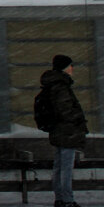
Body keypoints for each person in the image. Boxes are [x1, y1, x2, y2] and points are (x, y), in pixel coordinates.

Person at [42, 54, 88, 207]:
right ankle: (67, 199)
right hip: (67, 131)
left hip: (59, 130)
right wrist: (78, 119)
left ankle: (60, 197)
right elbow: (65, 109)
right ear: (64, 68)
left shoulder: (54, 84)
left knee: (59, 165)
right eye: (70, 65)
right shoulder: (61, 86)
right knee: (66, 167)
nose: (72, 68)